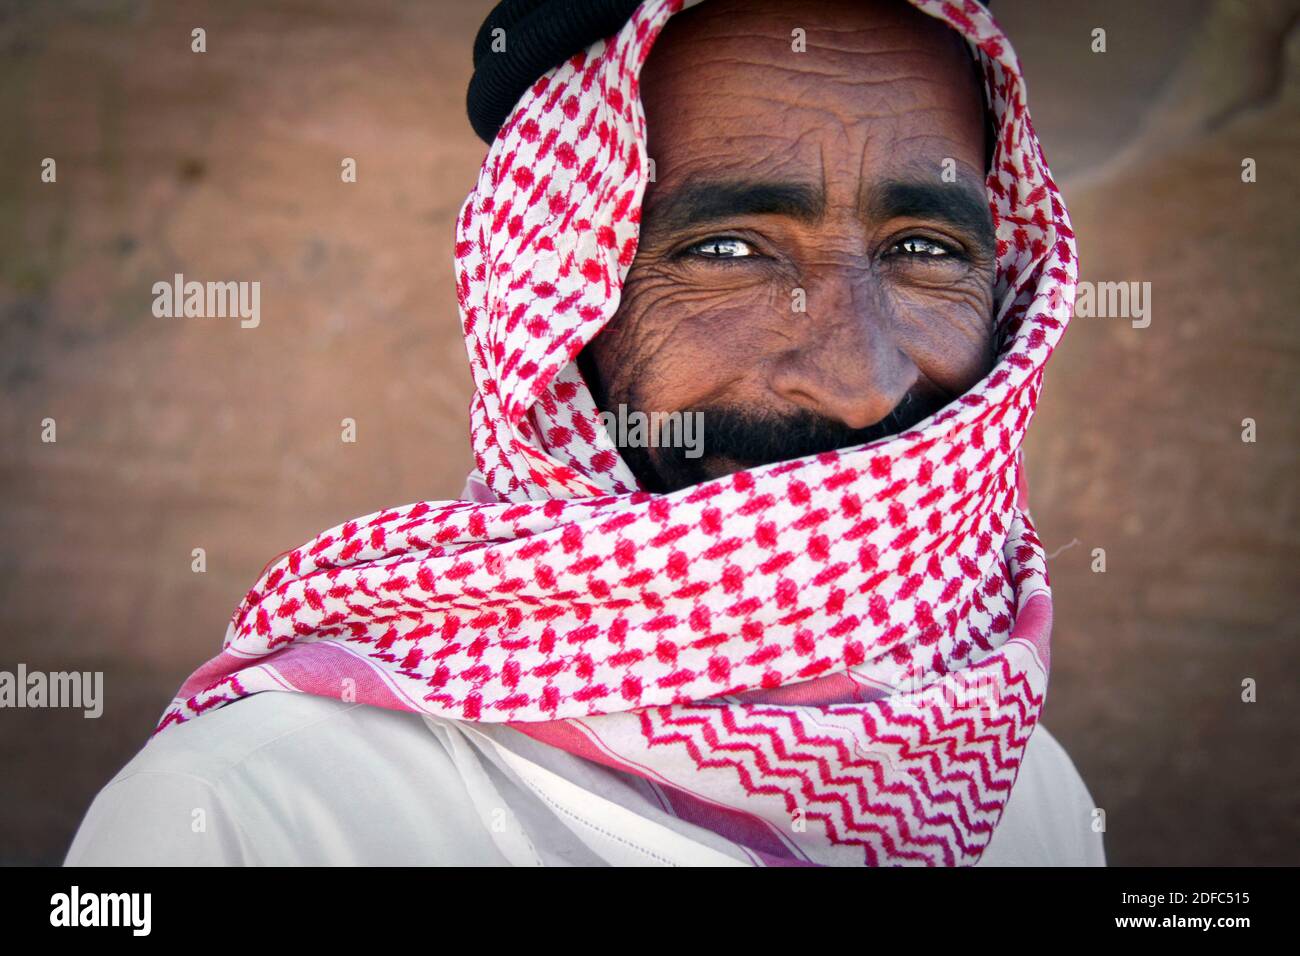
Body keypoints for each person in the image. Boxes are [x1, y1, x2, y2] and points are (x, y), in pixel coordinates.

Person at [67, 0, 1103, 866]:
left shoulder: (1026, 794)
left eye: (922, 247)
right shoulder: (260, 815)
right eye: (730, 249)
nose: (858, 382)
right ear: (554, 314)